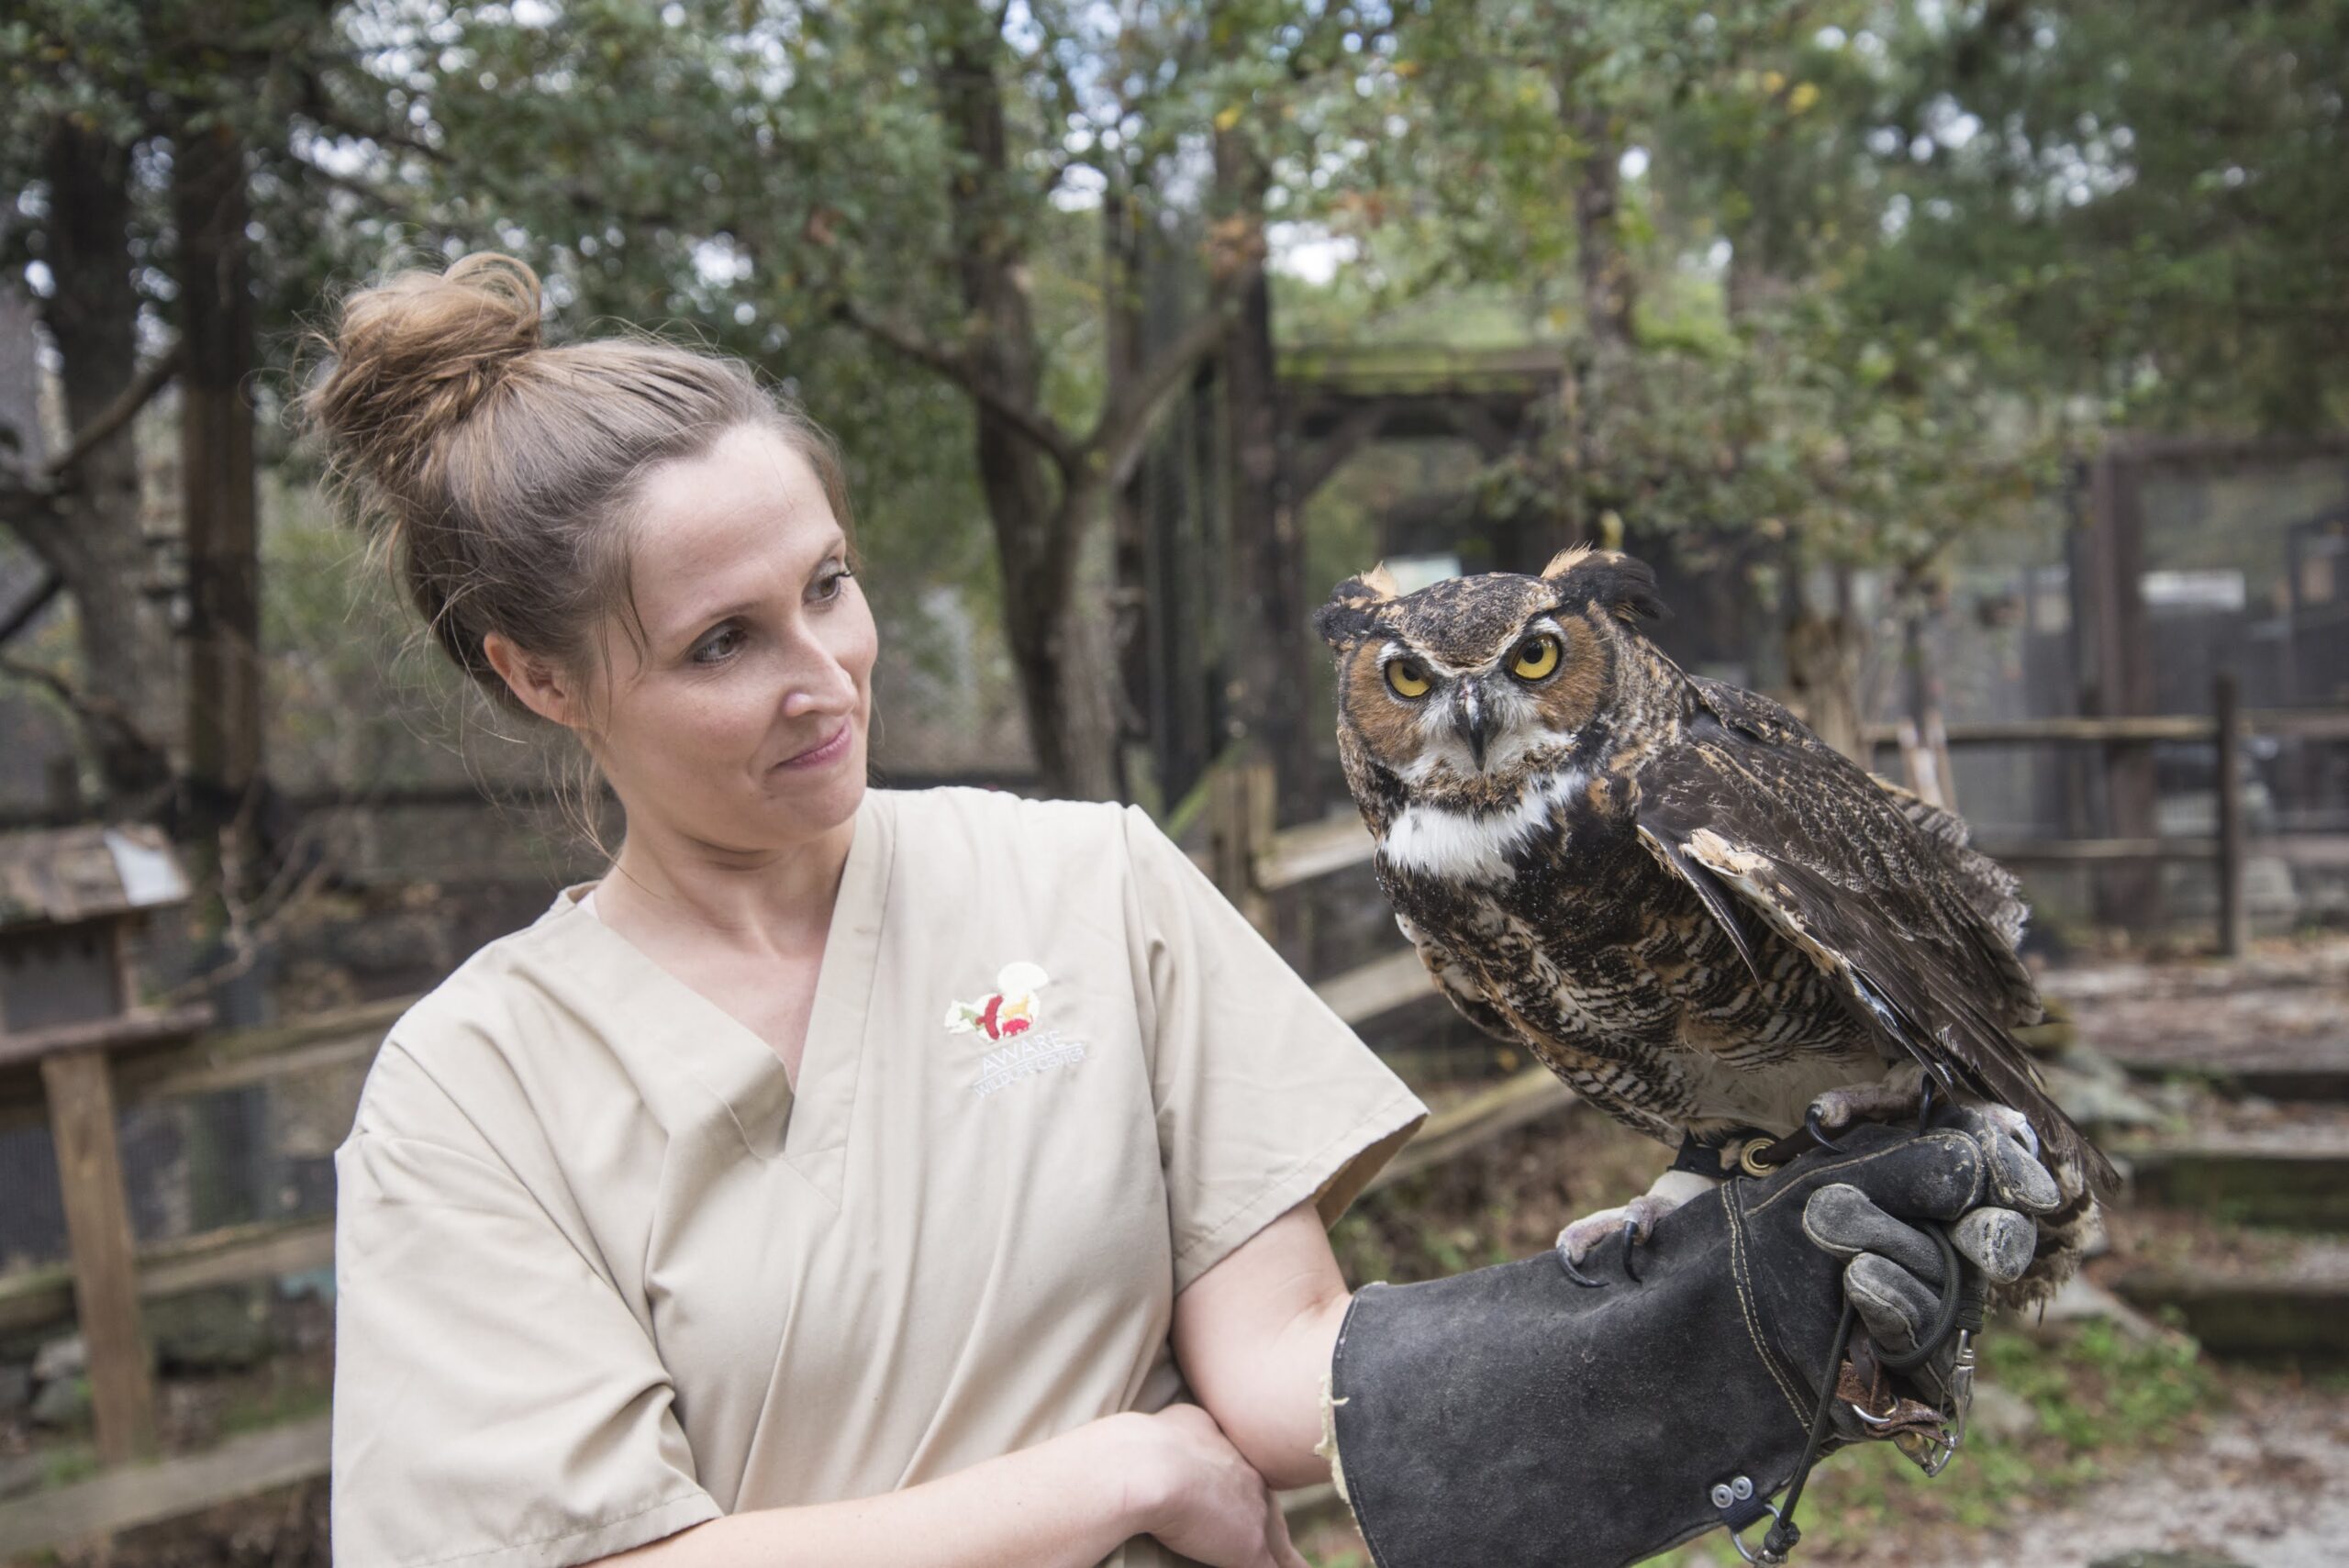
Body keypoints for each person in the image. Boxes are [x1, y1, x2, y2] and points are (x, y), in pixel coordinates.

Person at [314, 255, 2054, 1568]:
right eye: (722, 642)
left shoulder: (1088, 882)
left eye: (830, 586)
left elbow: (1285, 1378)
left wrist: (1705, 1320)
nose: (825, 674)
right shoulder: (475, 1086)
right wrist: (1117, 1471)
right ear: (537, 674)